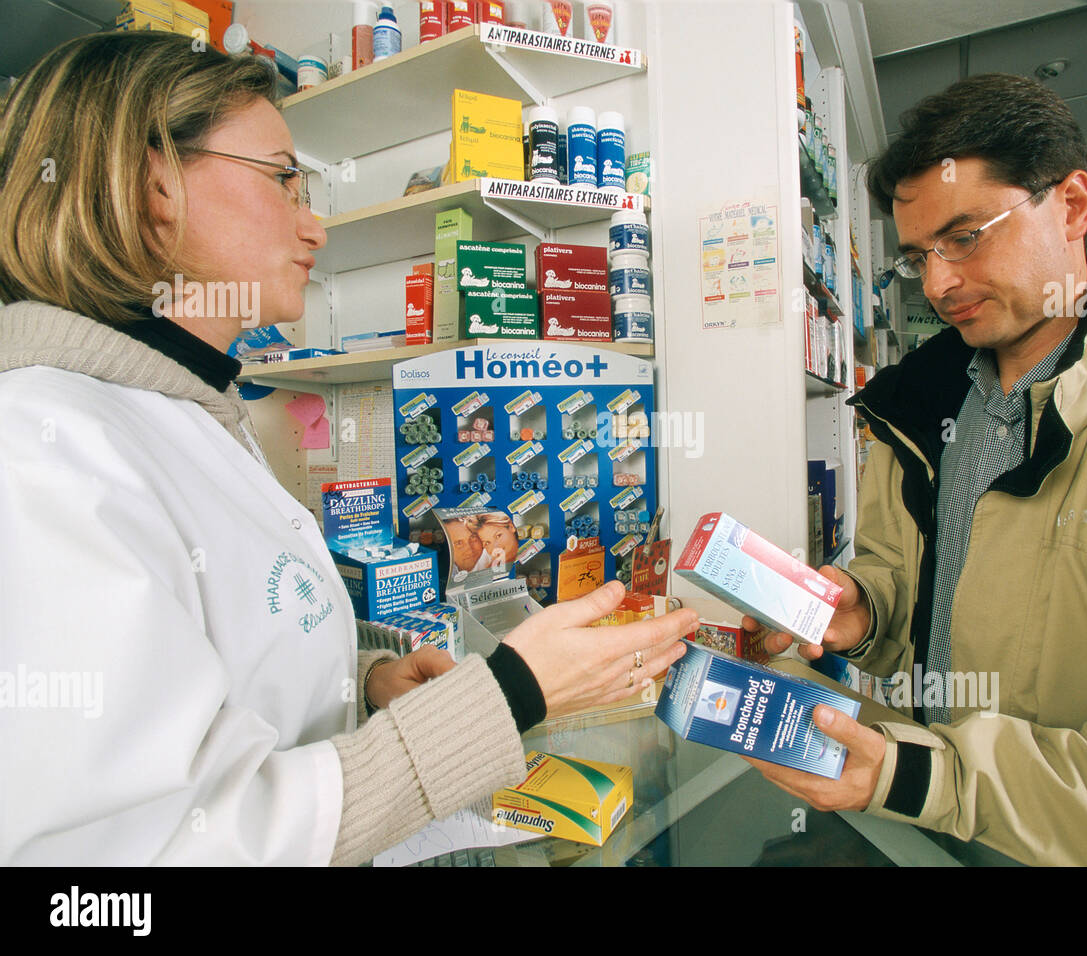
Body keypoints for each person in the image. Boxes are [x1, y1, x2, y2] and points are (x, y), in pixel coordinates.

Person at [0, 31, 698, 866]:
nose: (313, 224)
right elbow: (151, 853)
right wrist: (513, 692)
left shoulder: (186, 411)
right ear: (154, 186)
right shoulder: (39, 452)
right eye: (284, 178)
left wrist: (362, 684)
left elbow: (232, 656)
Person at [746, 73, 1087, 865]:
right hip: (931, 837)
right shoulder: (912, 413)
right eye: (917, 257)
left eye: (966, 237)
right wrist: (867, 613)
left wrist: (933, 782)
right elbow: (928, 612)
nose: (937, 284)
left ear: (1072, 205)